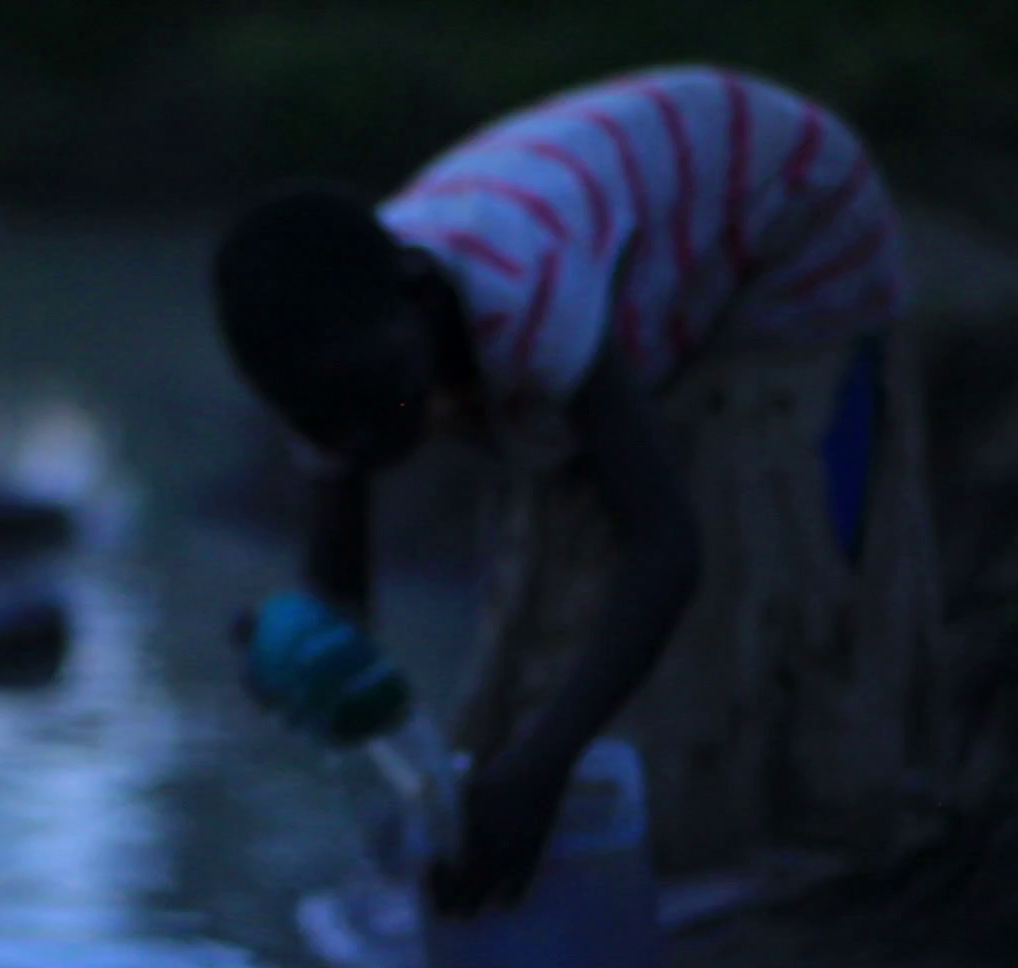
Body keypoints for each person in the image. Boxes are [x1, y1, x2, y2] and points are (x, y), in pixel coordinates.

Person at [211, 64, 944, 921]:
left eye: (382, 400)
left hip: (792, 226)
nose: (366, 439)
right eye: (325, 424)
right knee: (550, 606)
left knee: (746, 562)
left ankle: (802, 868)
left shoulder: (519, 290)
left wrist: (548, 760)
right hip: (641, 237)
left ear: (418, 301)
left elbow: (669, 549)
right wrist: (298, 661)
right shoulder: (336, 365)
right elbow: (340, 599)